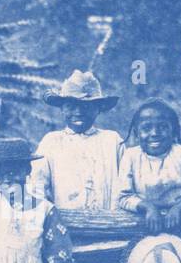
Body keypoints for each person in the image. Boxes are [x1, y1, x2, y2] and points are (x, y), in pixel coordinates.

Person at [117, 98, 181, 234]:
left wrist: (180, 207)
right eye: (146, 128)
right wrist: (148, 207)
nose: (155, 133)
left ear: (173, 131)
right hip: (143, 221)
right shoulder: (130, 157)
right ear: (136, 133)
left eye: (162, 127)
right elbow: (123, 197)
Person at [32, 70, 124, 209]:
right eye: (71, 106)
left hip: (108, 223)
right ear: (62, 109)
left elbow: (126, 184)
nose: (78, 112)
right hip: (66, 224)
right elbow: (37, 187)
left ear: (98, 109)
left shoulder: (112, 140)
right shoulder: (52, 142)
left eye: (86, 106)